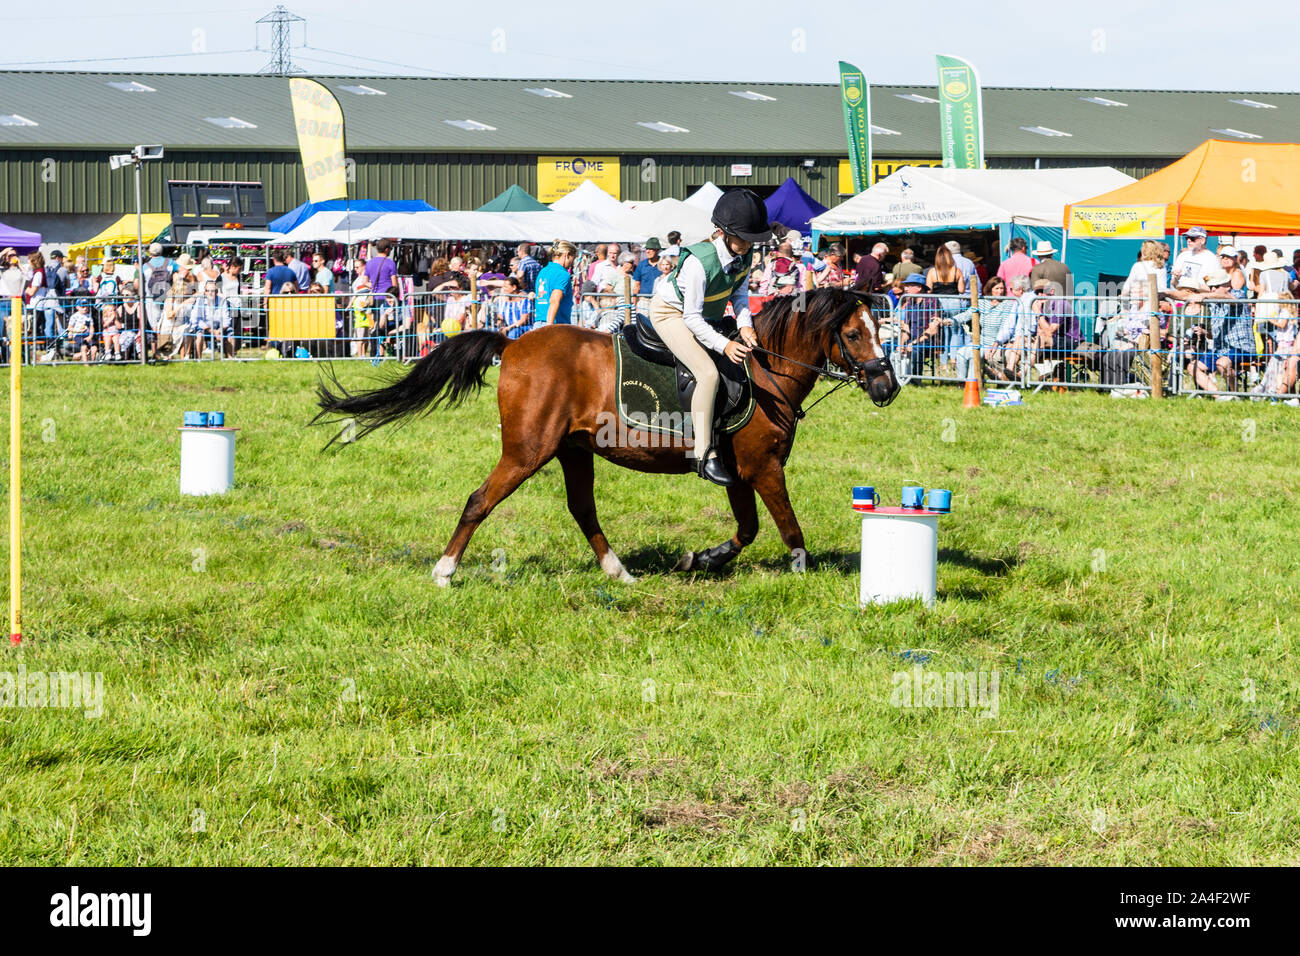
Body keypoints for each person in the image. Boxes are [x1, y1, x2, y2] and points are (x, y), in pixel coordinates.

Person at [649, 189, 767, 486]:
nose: (748, 245)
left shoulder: (743, 251)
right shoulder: (698, 263)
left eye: (752, 239)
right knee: (708, 374)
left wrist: (745, 325)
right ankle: (703, 454)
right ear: (722, 232)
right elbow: (690, 318)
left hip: (705, 316)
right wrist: (724, 344)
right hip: (670, 314)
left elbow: (739, 294)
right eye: (743, 238)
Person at [894, 274, 943, 379]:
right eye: (905, 286)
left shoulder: (932, 301)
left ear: (919, 287)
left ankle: (915, 380)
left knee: (915, 350)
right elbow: (906, 327)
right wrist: (901, 344)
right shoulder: (910, 302)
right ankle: (893, 379)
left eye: (909, 286)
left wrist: (913, 343)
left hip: (929, 341)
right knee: (887, 346)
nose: (905, 289)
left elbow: (933, 330)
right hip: (911, 340)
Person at [535, 240, 577, 326]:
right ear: (567, 255)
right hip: (555, 325)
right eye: (573, 258)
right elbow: (554, 301)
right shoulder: (563, 274)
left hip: (538, 324)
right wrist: (549, 329)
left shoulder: (543, 271)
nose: (572, 263)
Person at [632, 238, 662, 304]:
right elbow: (637, 285)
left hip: (659, 299)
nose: (648, 251)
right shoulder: (641, 265)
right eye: (647, 249)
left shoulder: (663, 264)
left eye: (651, 249)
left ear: (657, 250)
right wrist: (634, 304)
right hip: (644, 300)